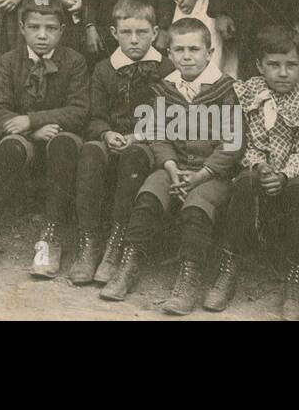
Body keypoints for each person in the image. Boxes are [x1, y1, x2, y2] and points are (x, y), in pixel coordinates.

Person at [101, 17, 241, 314]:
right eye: (179, 50)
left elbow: (233, 143)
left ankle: (189, 276)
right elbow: (157, 133)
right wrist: (170, 166)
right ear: (170, 54)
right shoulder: (165, 88)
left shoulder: (226, 89)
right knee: (149, 196)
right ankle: (130, 263)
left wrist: (202, 173)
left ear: (210, 52)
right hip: (175, 168)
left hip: (211, 173)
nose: (187, 57)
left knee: (197, 207)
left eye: (194, 49)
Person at [209, 24, 299, 319]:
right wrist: (260, 165)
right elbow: (244, 139)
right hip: (260, 165)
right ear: (259, 65)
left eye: (291, 65)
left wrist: (285, 174)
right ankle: (230, 264)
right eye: (274, 65)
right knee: (244, 184)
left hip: (298, 168)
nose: (283, 73)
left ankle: (296, 274)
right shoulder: (248, 92)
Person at [0, 0, 89, 278]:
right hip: (25, 141)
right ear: (22, 28)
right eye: (34, 27)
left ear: (62, 30)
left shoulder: (74, 61)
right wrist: (31, 132)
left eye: (50, 28)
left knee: (65, 143)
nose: (42, 35)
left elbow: (79, 110)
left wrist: (33, 120)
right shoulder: (10, 61)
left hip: (60, 140)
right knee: (8, 145)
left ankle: (49, 238)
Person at [69, 0, 165, 286]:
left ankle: (116, 243)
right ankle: (89, 241)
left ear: (155, 33)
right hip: (111, 137)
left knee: (134, 156)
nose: (134, 40)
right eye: (126, 33)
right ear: (113, 33)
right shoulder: (103, 69)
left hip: (147, 142)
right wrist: (107, 134)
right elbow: (95, 115)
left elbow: (168, 117)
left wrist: (137, 136)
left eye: (142, 32)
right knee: (90, 151)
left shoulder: (166, 68)